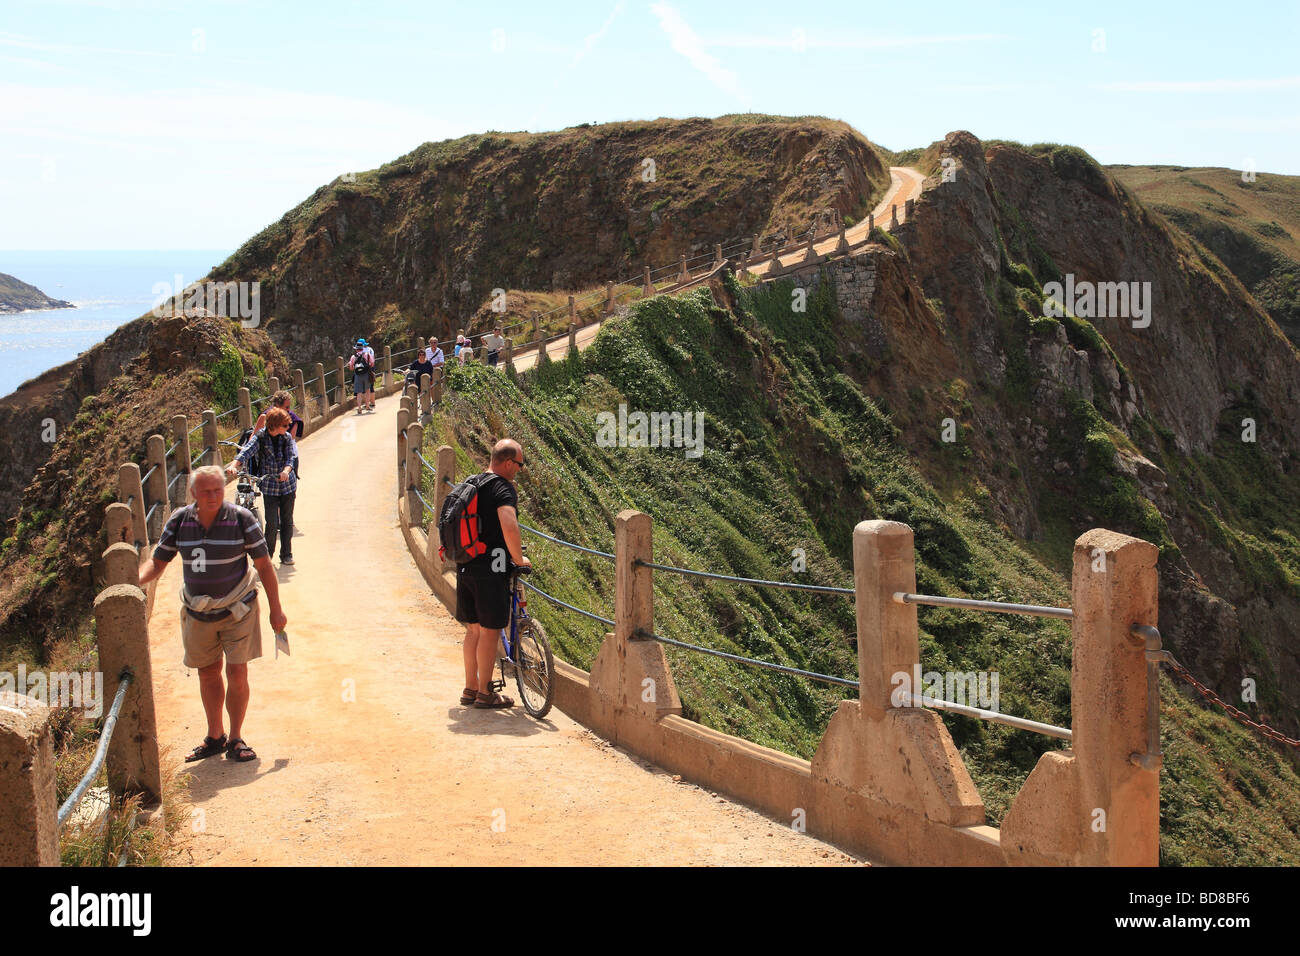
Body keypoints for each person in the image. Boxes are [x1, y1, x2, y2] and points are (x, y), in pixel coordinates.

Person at [137, 465, 287, 763]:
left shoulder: (241, 519)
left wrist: (276, 610)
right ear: (193, 493)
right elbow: (158, 563)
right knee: (207, 673)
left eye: (218, 490)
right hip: (198, 611)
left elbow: (263, 565)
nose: (213, 496)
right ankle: (215, 736)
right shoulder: (180, 521)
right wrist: (131, 580)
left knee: (237, 671)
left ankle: (236, 738)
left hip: (238, 609)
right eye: (206, 491)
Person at [457, 439, 531, 709]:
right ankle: (485, 693)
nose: (520, 470)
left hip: (465, 565)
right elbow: (509, 524)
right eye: (519, 464)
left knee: (474, 631)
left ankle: (470, 688)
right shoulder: (502, 488)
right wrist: (519, 559)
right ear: (509, 463)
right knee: (490, 631)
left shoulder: (472, 482)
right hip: (492, 568)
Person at [227, 406, 299, 565]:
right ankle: (267, 557)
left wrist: (286, 471)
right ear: (274, 425)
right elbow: (246, 452)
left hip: (288, 486)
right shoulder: (260, 437)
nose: (287, 428)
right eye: (284, 425)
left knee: (287, 521)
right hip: (270, 487)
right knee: (271, 524)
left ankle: (286, 554)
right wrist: (233, 465)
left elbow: (290, 459)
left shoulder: (286, 438)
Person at [348, 338, 377, 412]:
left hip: (357, 375)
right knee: (367, 390)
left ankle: (359, 408)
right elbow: (372, 363)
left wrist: (356, 369)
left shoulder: (353, 357)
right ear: (362, 348)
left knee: (359, 392)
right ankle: (367, 406)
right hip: (366, 374)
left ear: (356, 349)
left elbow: (351, 368)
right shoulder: (367, 355)